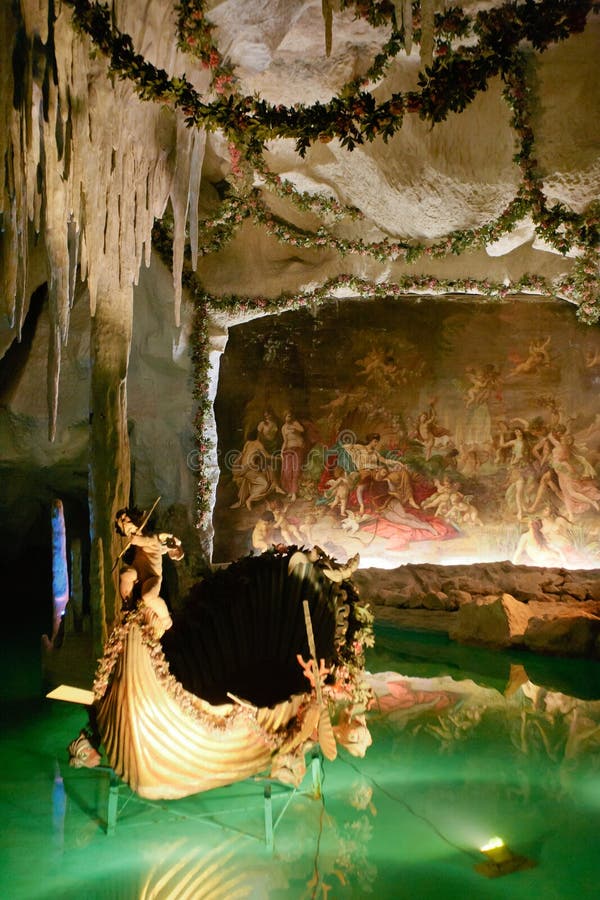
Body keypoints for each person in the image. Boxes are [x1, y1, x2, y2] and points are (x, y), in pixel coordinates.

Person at [115, 507, 184, 637]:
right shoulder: (137, 539)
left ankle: (166, 619)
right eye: (123, 526)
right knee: (126, 573)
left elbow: (147, 540)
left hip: (152, 577)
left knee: (148, 597)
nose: (124, 523)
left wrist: (136, 539)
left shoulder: (153, 537)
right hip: (138, 572)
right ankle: (127, 603)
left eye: (126, 520)